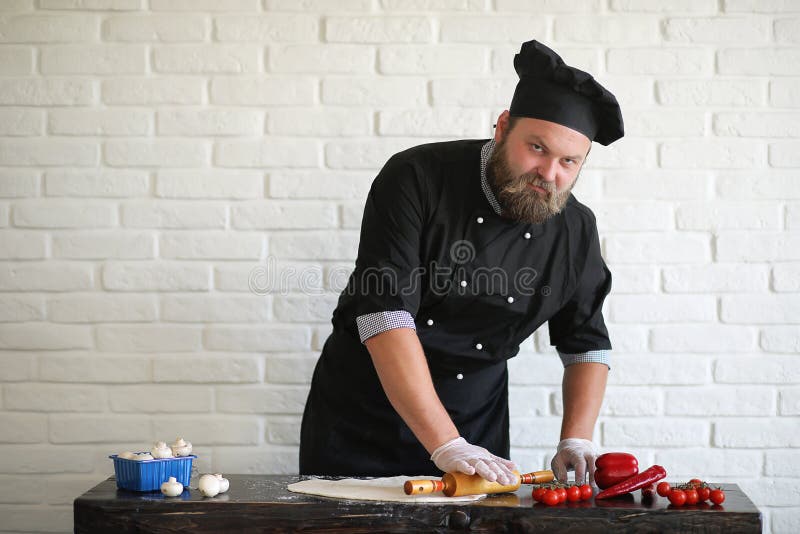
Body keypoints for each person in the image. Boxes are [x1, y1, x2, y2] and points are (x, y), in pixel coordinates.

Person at [299, 39, 624, 487]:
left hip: (477, 426)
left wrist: (578, 439)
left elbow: (585, 341)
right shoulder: (416, 178)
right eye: (536, 148)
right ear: (503, 127)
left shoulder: (576, 228)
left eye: (569, 161)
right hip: (364, 416)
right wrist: (444, 443)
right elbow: (384, 314)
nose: (549, 174)